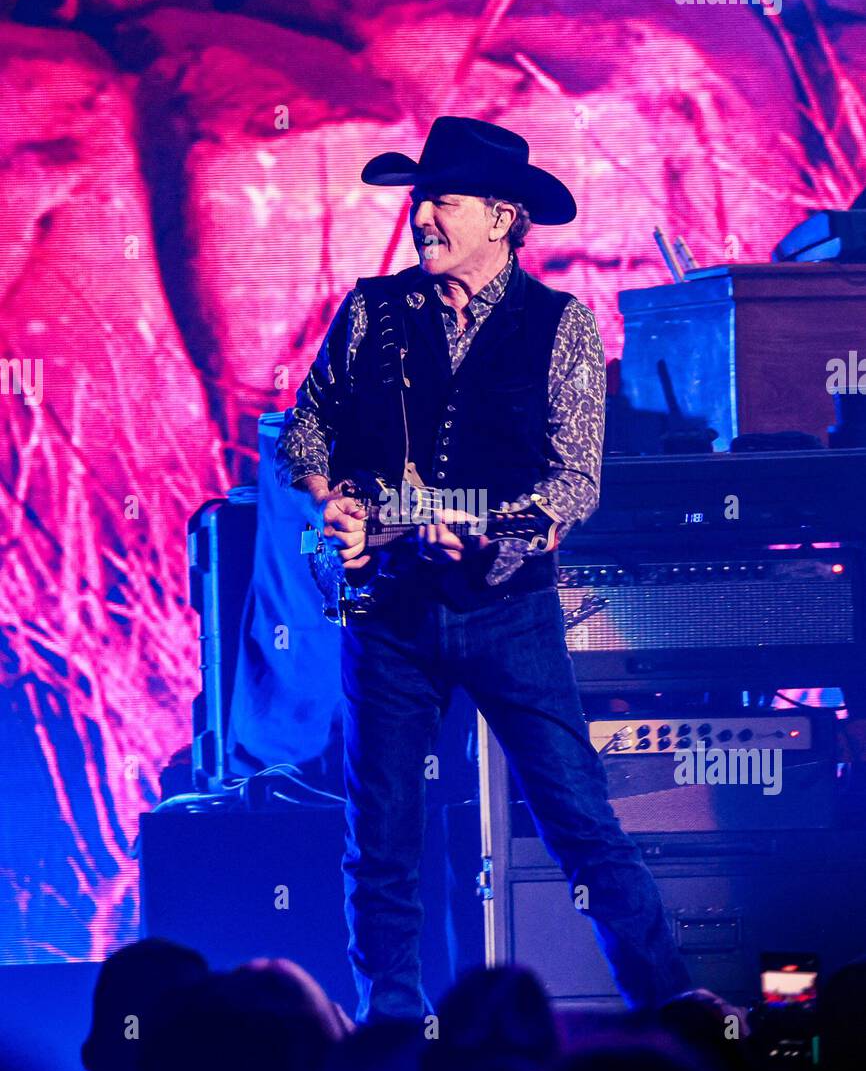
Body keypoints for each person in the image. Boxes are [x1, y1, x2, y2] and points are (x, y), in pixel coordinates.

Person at [276, 115, 690, 1022]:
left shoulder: (562, 326)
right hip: (389, 614)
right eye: (420, 201)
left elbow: (573, 482)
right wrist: (327, 498)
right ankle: (391, 1025)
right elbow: (307, 424)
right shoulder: (371, 312)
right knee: (380, 837)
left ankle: (671, 1009)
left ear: (501, 217)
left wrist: (487, 533)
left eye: (441, 202)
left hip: (509, 614)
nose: (422, 217)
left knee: (580, 820)